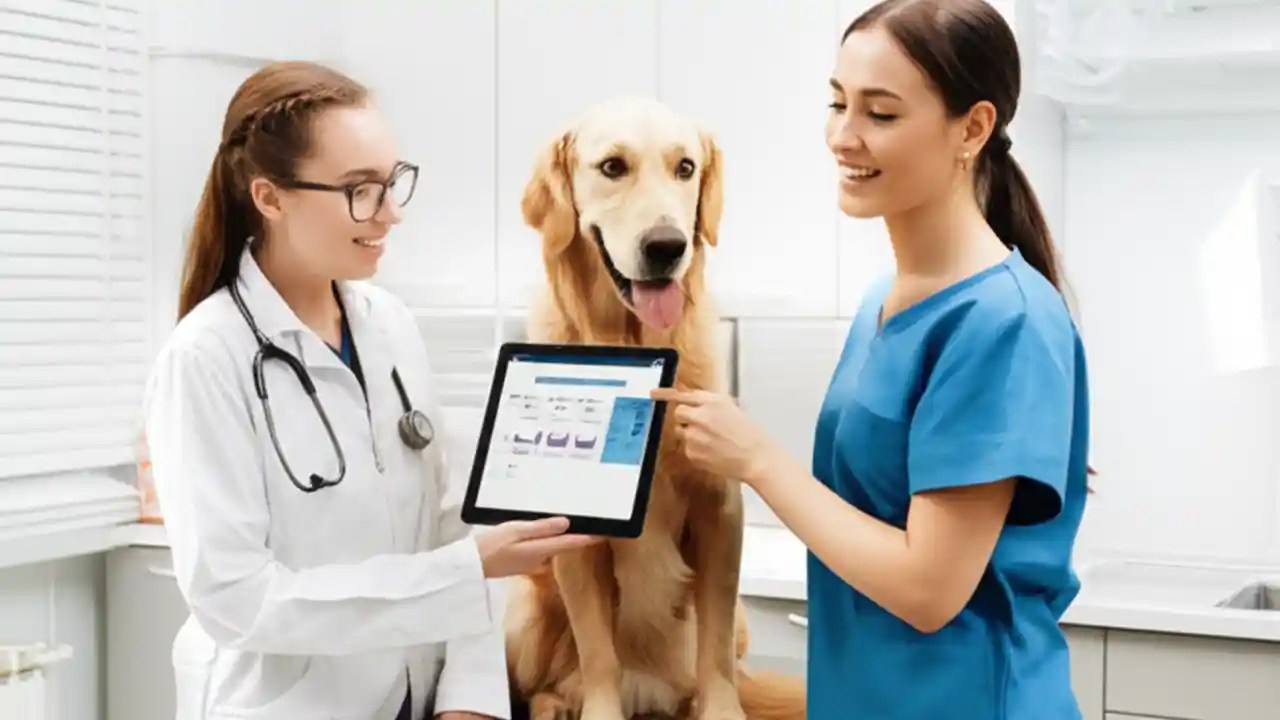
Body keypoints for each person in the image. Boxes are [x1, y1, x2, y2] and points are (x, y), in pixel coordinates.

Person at [653, 1, 1091, 718]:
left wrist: (759, 460)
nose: (842, 137)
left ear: (973, 129)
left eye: (880, 115)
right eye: (836, 104)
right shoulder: (883, 302)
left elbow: (928, 590)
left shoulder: (1003, 321)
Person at [144, 61, 598, 720]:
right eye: (360, 191)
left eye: (392, 184)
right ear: (269, 198)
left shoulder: (388, 325)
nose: (390, 214)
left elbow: (451, 528)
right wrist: (463, 571)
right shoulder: (205, 359)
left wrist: (468, 698)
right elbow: (237, 600)